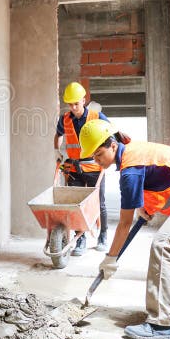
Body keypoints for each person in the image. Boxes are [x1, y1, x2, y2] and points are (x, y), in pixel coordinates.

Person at [79, 119, 170, 339]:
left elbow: (124, 224)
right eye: (93, 157)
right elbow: (158, 178)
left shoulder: (130, 171)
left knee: (164, 245)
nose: (97, 161)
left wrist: (110, 258)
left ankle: (160, 325)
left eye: (99, 154)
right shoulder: (131, 154)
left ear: (113, 145)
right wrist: (146, 208)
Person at [53, 81, 110, 254]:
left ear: (83, 101)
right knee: (76, 204)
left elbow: (110, 133)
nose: (73, 107)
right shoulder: (65, 119)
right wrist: (57, 151)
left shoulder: (97, 116)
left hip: (94, 167)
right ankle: (80, 240)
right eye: (70, 104)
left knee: (99, 203)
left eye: (76, 104)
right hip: (74, 168)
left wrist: (107, 155)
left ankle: (103, 236)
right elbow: (58, 135)